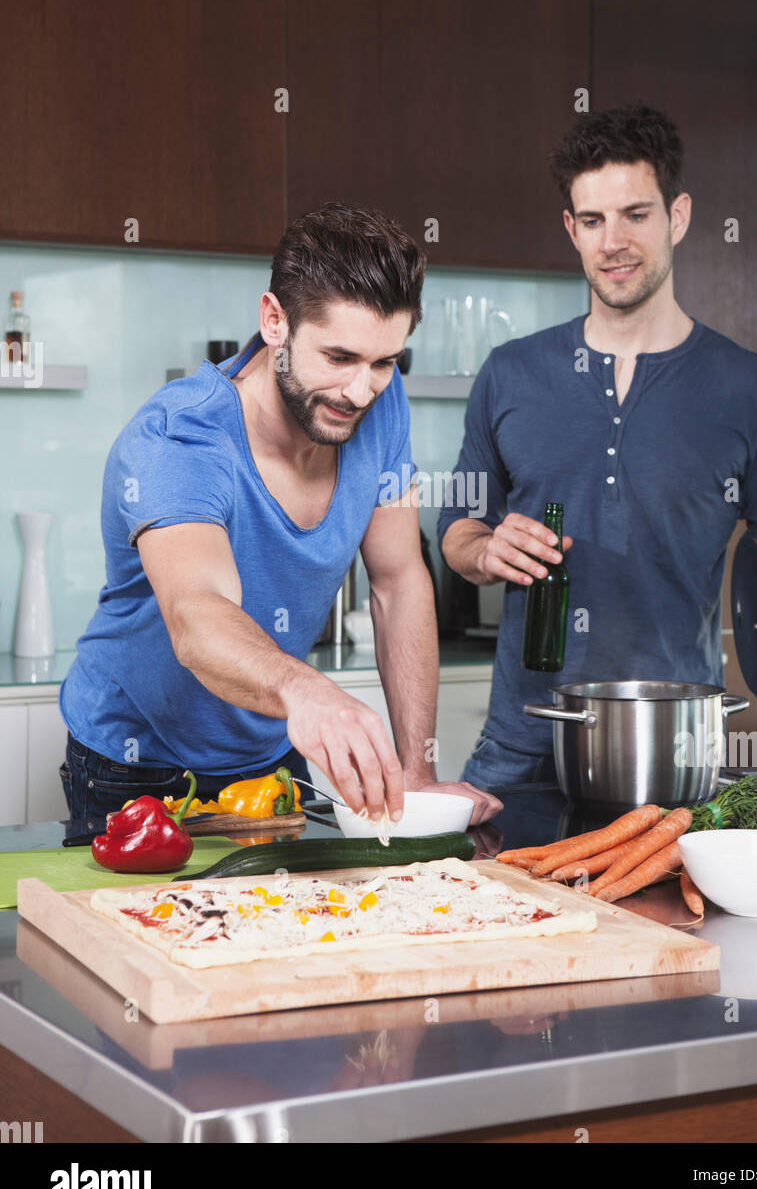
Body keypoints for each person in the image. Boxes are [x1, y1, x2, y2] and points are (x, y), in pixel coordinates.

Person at [60, 202, 501, 829]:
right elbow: (197, 614)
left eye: (385, 362)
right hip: (134, 764)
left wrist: (417, 771)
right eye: (339, 357)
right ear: (275, 322)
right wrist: (307, 692)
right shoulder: (179, 439)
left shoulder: (382, 401)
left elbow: (398, 580)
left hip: (270, 757)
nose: (361, 389)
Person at [437, 104, 757, 792]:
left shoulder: (755, 389)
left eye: (635, 215)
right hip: (522, 744)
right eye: (592, 221)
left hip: (674, 751)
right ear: (571, 229)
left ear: (678, 216)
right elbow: (458, 529)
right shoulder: (510, 373)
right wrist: (483, 549)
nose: (613, 240)